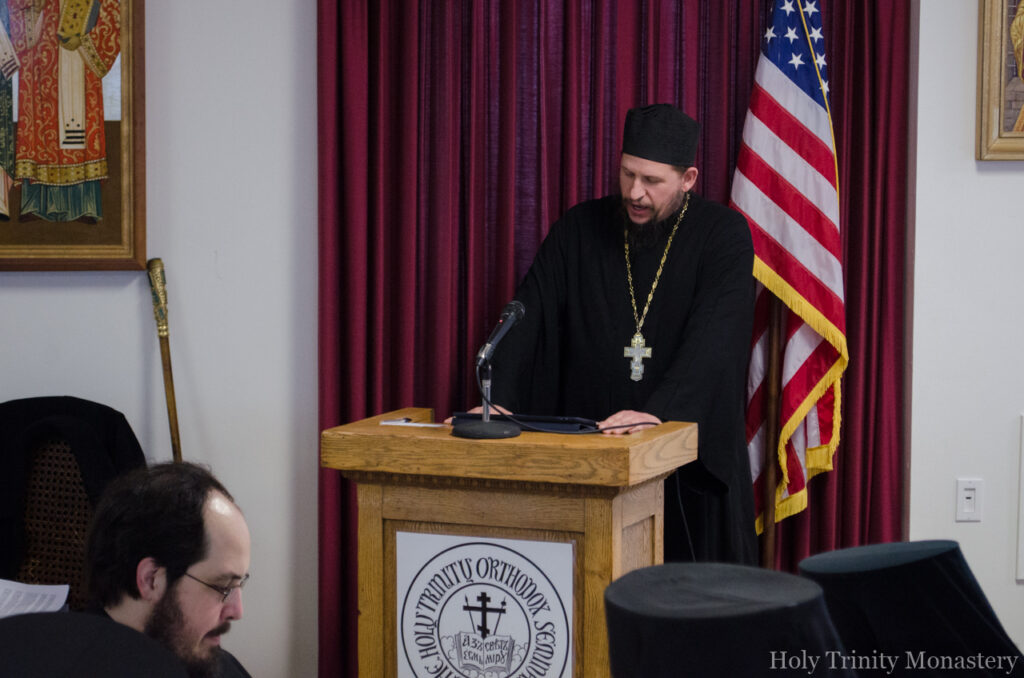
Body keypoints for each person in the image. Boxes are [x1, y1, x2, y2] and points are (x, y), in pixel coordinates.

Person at [487, 103, 757, 565]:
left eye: (652, 181)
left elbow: (715, 343)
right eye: (628, 174)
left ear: (688, 179)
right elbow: (528, 312)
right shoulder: (580, 228)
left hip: (684, 468)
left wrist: (657, 414)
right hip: (593, 464)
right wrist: (497, 398)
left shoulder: (723, 236)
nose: (635, 193)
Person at [85, 462, 253, 678]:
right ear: (151, 580)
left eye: (239, 584)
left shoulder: (215, 664)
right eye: (222, 587)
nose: (237, 611)